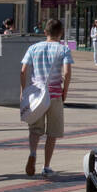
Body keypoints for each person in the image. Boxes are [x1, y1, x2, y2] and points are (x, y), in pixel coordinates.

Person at [20, 18, 74, 178]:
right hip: (55, 95)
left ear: (45, 32)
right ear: (61, 33)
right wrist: (65, 90)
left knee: (35, 129)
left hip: (37, 94)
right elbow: (67, 73)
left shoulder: (33, 48)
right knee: (52, 132)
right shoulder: (63, 49)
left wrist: (24, 91)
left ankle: (32, 153)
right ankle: (46, 166)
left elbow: (23, 71)